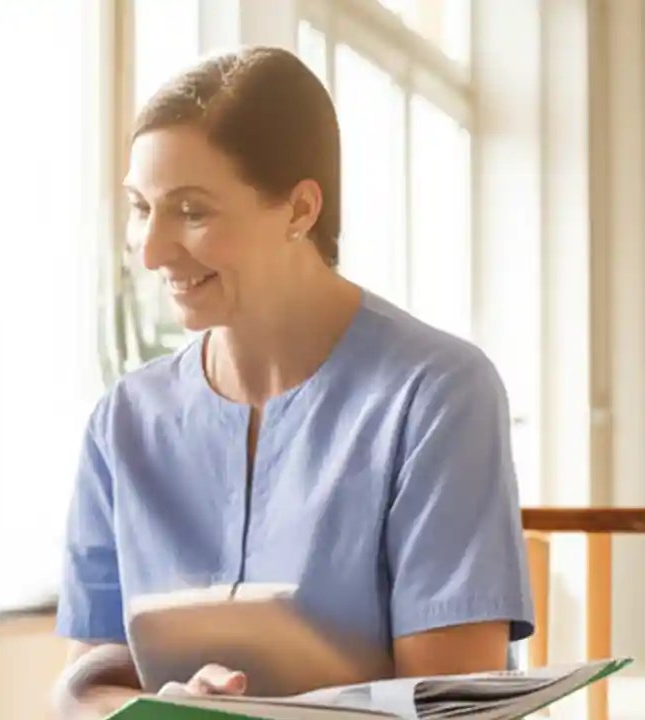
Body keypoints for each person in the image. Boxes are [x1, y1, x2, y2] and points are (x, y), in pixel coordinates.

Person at [51, 46, 534, 718]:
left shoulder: (438, 394)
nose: (153, 251)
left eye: (192, 211)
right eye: (142, 208)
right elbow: (86, 685)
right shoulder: (123, 422)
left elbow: (446, 702)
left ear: (300, 210)